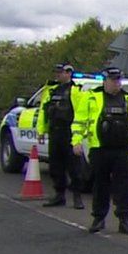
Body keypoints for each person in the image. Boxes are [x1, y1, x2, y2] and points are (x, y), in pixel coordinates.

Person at [71, 67, 128, 235]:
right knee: (100, 185)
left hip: (123, 149)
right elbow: (79, 121)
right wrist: (76, 142)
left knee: (125, 186)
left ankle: (124, 220)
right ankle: (98, 218)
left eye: (119, 80)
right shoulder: (91, 97)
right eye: (113, 80)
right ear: (105, 80)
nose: (117, 83)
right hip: (100, 149)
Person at [38, 63, 85, 209]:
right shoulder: (51, 90)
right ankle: (59, 195)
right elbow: (43, 111)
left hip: (69, 132)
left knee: (74, 167)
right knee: (55, 166)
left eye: (61, 72)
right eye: (56, 72)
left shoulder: (76, 91)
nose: (57, 75)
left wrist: (78, 136)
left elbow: (80, 113)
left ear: (69, 73)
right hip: (55, 132)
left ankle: (77, 197)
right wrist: (41, 130)